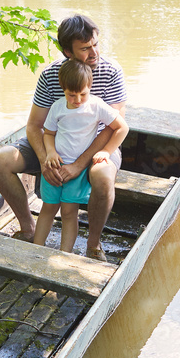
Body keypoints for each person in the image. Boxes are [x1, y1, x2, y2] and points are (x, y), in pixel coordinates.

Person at [0, 14, 127, 262]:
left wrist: (78, 164)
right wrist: (45, 158)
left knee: (103, 176)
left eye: (95, 44)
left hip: (99, 144)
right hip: (55, 142)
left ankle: (93, 245)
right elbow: (35, 126)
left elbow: (112, 127)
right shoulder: (51, 75)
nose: (94, 52)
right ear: (67, 52)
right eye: (85, 49)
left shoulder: (111, 71)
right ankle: (28, 229)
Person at [34, 60, 129, 253]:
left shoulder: (97, 106)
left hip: (77, 170)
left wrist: (106, 151)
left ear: (90, 87)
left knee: (69, 212)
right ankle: (35, 250)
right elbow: (49, 133)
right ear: (64, 89)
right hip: (55, 165)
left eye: (83, 94)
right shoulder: (58, 107)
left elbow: (122, 127)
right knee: (48, 209)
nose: (77, 99)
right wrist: (50, 153)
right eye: (72, 95)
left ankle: (64, 254)